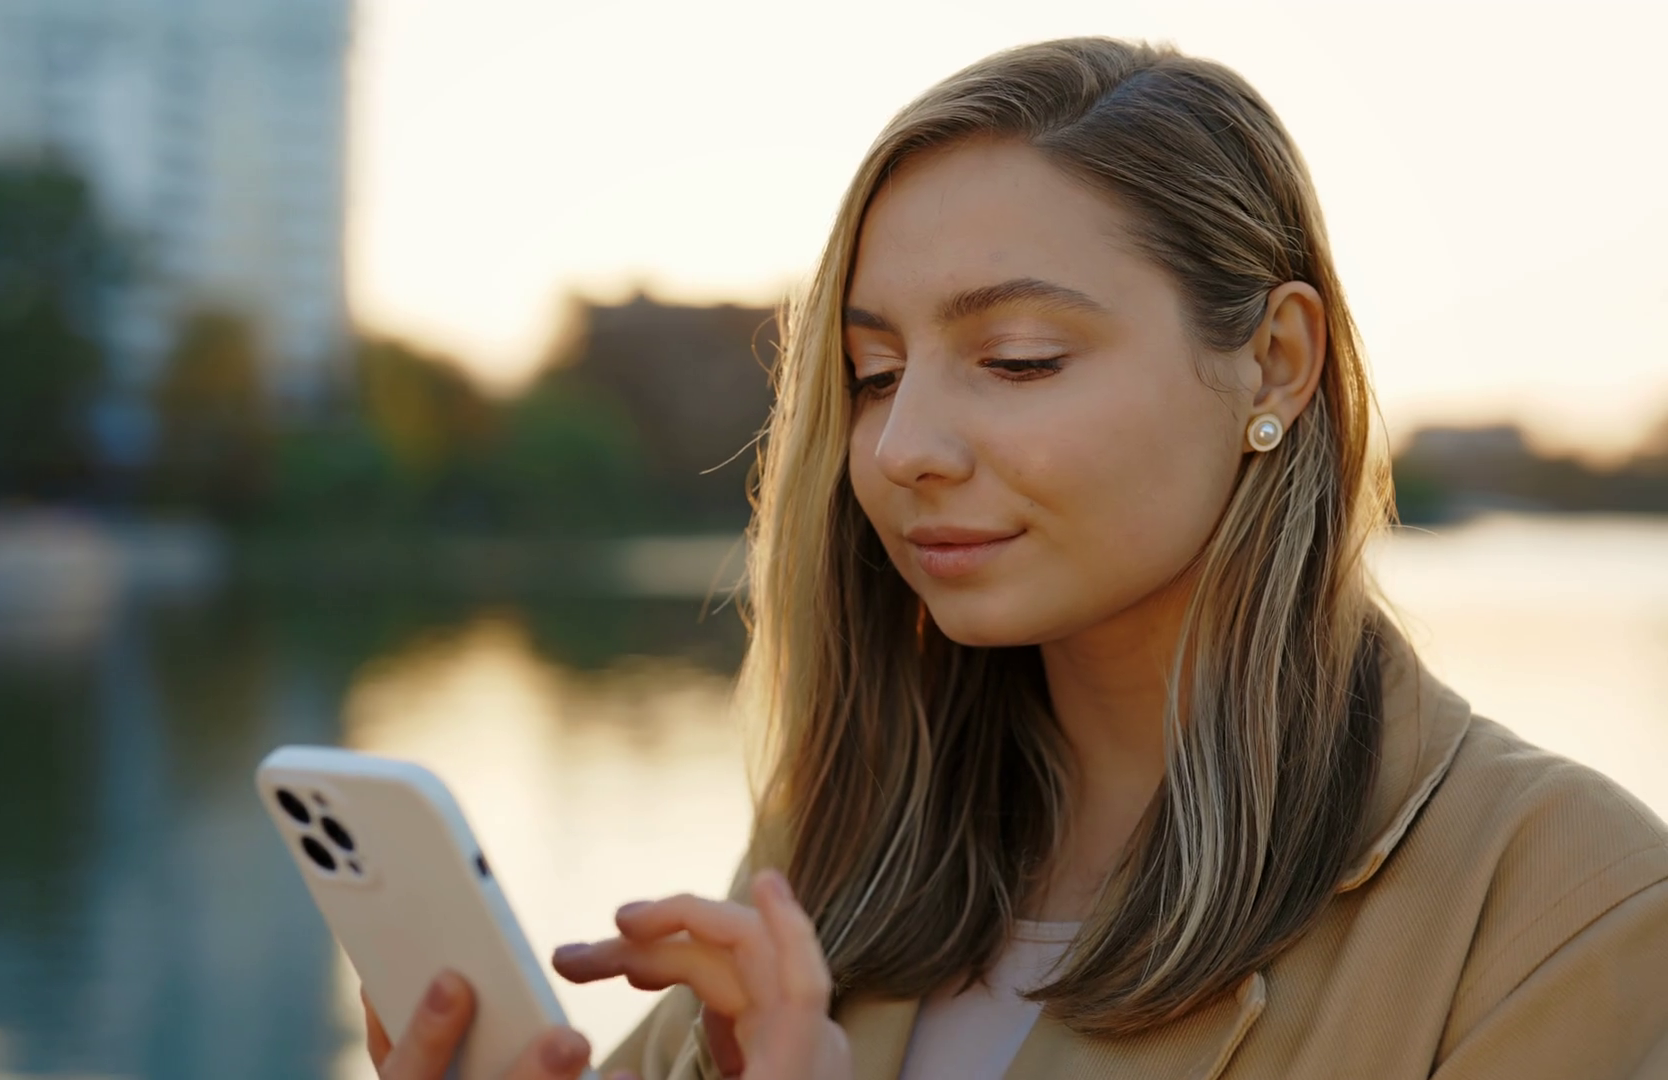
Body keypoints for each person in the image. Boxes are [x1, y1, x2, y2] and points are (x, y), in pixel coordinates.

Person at [364, 36, 1668, 1080]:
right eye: (874, 373)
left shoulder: (1567, 909)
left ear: (1275, 362)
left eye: (1017, 360)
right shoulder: (839, 848)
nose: (903, 446)